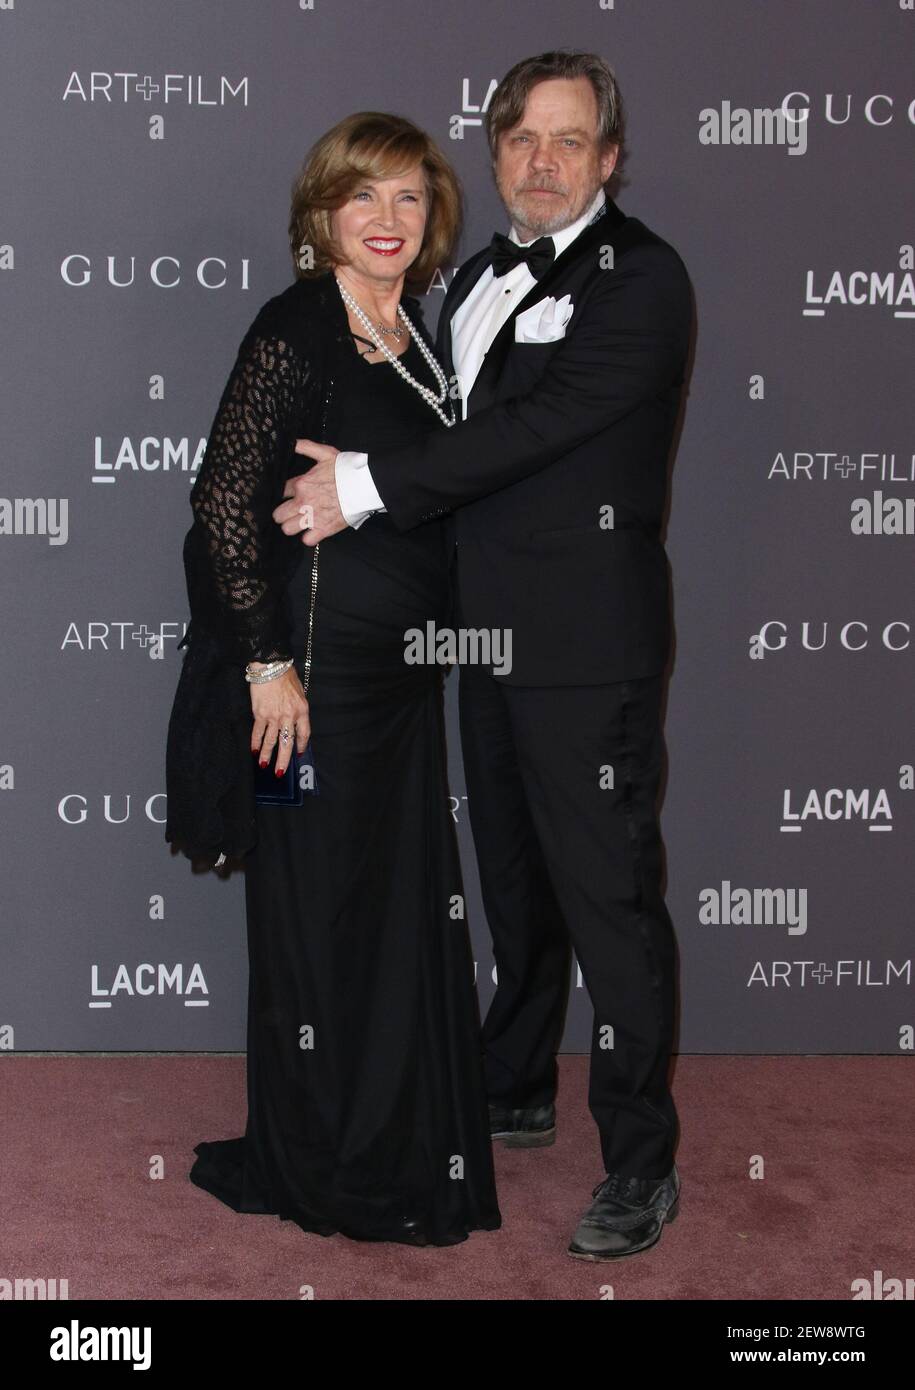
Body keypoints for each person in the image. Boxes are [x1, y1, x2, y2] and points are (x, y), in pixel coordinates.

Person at [275, 52, 693, 1260]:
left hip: (588, 649)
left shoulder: (644, 281)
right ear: (497, 152)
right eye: (522, 138)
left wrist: (362, 486)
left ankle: (641, 1160)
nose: (545, 160)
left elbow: (533, 431)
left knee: (607, 901)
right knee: (512, 882)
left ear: (609, 159)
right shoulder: (466, 286)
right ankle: (515, 1077)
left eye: (571, 141)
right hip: (478, 637)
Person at [165, 111, 501, 1247]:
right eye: (365, 197)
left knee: (388, 914)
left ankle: (398, 1133)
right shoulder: (301, 323)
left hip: (401, 691)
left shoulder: (420, 335)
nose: (388, 219)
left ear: (433, 215)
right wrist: (268, 668)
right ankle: (323, 1156)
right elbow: (221, 507)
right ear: (323, 216)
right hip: (301, 697)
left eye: (409, 196)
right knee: (313, 916)